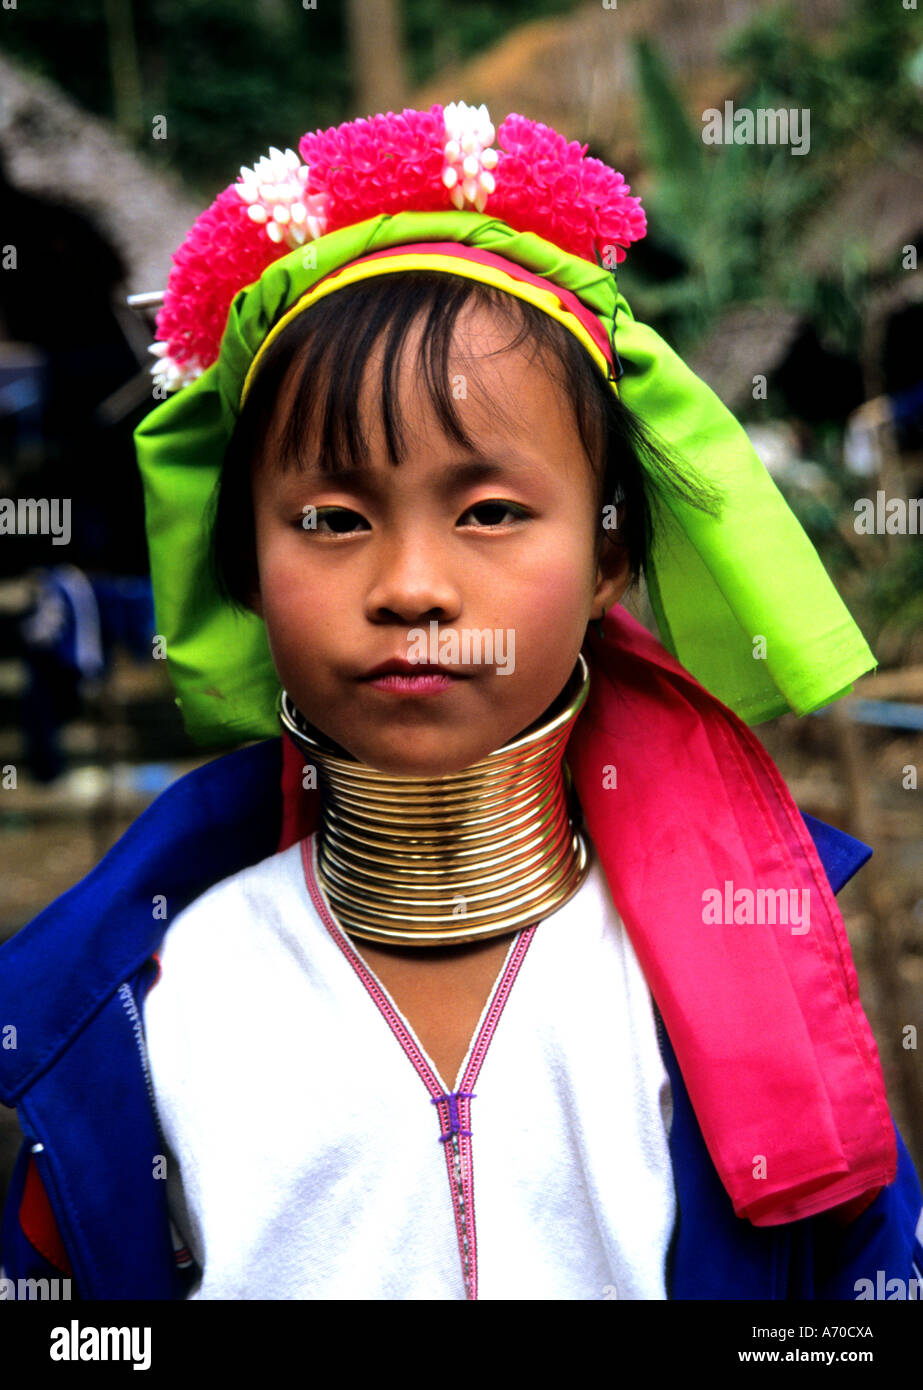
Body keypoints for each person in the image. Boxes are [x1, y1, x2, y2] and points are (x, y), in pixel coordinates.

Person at [1, 102, 920, 1301]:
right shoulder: (144, 1014)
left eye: (488, 510)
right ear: (243, 569)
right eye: (329, 519)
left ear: (606, 558)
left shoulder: (751, 977)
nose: (412, 586)